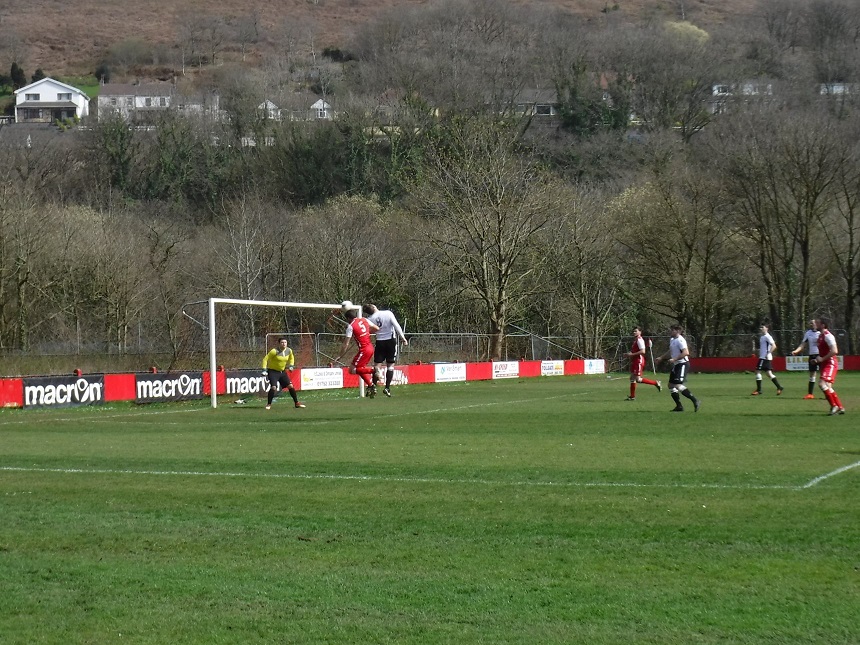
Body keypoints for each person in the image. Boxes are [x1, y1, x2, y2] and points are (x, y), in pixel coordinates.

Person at [363, 303, 409, 397]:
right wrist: (403, 338)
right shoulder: (388, 313)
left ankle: (373, 387)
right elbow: (396, 326)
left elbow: (369, 331)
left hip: (380, 341)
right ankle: (387, 388)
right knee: (390, 366)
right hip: (391, 341)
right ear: (374, 307)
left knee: (377, 365)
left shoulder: (370, 319)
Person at [334, 309, 381, 397]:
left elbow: (346, 343)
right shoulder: (364, 319)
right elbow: (377, 328)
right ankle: (371, 385)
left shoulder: (350, 326)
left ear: (348, 318)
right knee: (360, 368)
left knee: (352, 370)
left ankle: (374, 370)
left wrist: (340, 355)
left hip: (364, 350)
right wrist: (365, 332)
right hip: (370, 348)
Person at [655, 324, 700, 412]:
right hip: (677, 365)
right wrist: (661, 357)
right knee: (670, 385)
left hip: (682, 364)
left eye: (672, 330)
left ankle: (695, 400)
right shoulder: (672, 340)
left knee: (677, 385)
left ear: (678, 331)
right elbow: (670, 351)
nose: (670, 331)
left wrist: (674, 359)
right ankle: (679, 406)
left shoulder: (680, 340)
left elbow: (686, 352)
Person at [262, 337, 305, 410]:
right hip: (273, 372)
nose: (284, 344)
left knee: (290, 386)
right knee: (273, 387)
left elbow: (291, 358)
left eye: (285, 342)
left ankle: (297, 403)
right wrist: (264, 369)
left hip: (282, 372)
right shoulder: (274, 351)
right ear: (279, 343)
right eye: (282, 342)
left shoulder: (289, 350)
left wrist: (291, 365)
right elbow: (265, 359)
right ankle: (269, 404)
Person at [813, 318, 845, 415]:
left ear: (823, 325)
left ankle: (834, 406)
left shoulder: (828, 336)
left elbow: (834, 350)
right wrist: (817, 359)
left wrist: (822, 359)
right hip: (824, 363)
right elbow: (823, 351)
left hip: (830, 363)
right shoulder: (820, 336)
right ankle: (840, 407)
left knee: (821, 384)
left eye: (817, 323)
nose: (815, 325)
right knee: (827, 386)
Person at [623, 326, 661, 400]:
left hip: (638, 360)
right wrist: (628, 354)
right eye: (633, 331)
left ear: (640, 332)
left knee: (637, 379)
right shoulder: (636, 340)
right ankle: (632, 396)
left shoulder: (639, 340)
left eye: (636, 331)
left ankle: (656, 383)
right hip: (635, 360)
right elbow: (635, 351)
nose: (634, 332)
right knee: (632, 378)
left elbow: (643, 351)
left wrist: (631, 354)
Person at [790, 320, 820, 399]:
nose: (811, 324)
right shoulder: (808, 333)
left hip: (821, 355)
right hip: (812, 355)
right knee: (812, 374)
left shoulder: (821, 333)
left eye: (812, 323)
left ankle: (828, 393)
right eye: (810, 323)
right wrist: (796, 351)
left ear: (816, 324)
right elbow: (803, 344)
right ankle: (810, 394)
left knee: (824, 375)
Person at [751, 324, 783, 396]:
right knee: (769, 374)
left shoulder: (768, 336)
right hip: (763, 357)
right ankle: (779, 387)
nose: (761, 328)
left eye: (762, 327)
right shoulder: (762, 337)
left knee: (757, 371)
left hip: (764, 358)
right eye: (760, 327)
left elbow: (774, 346)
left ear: (767, 328)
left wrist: (768, 353)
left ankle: (759, 390)